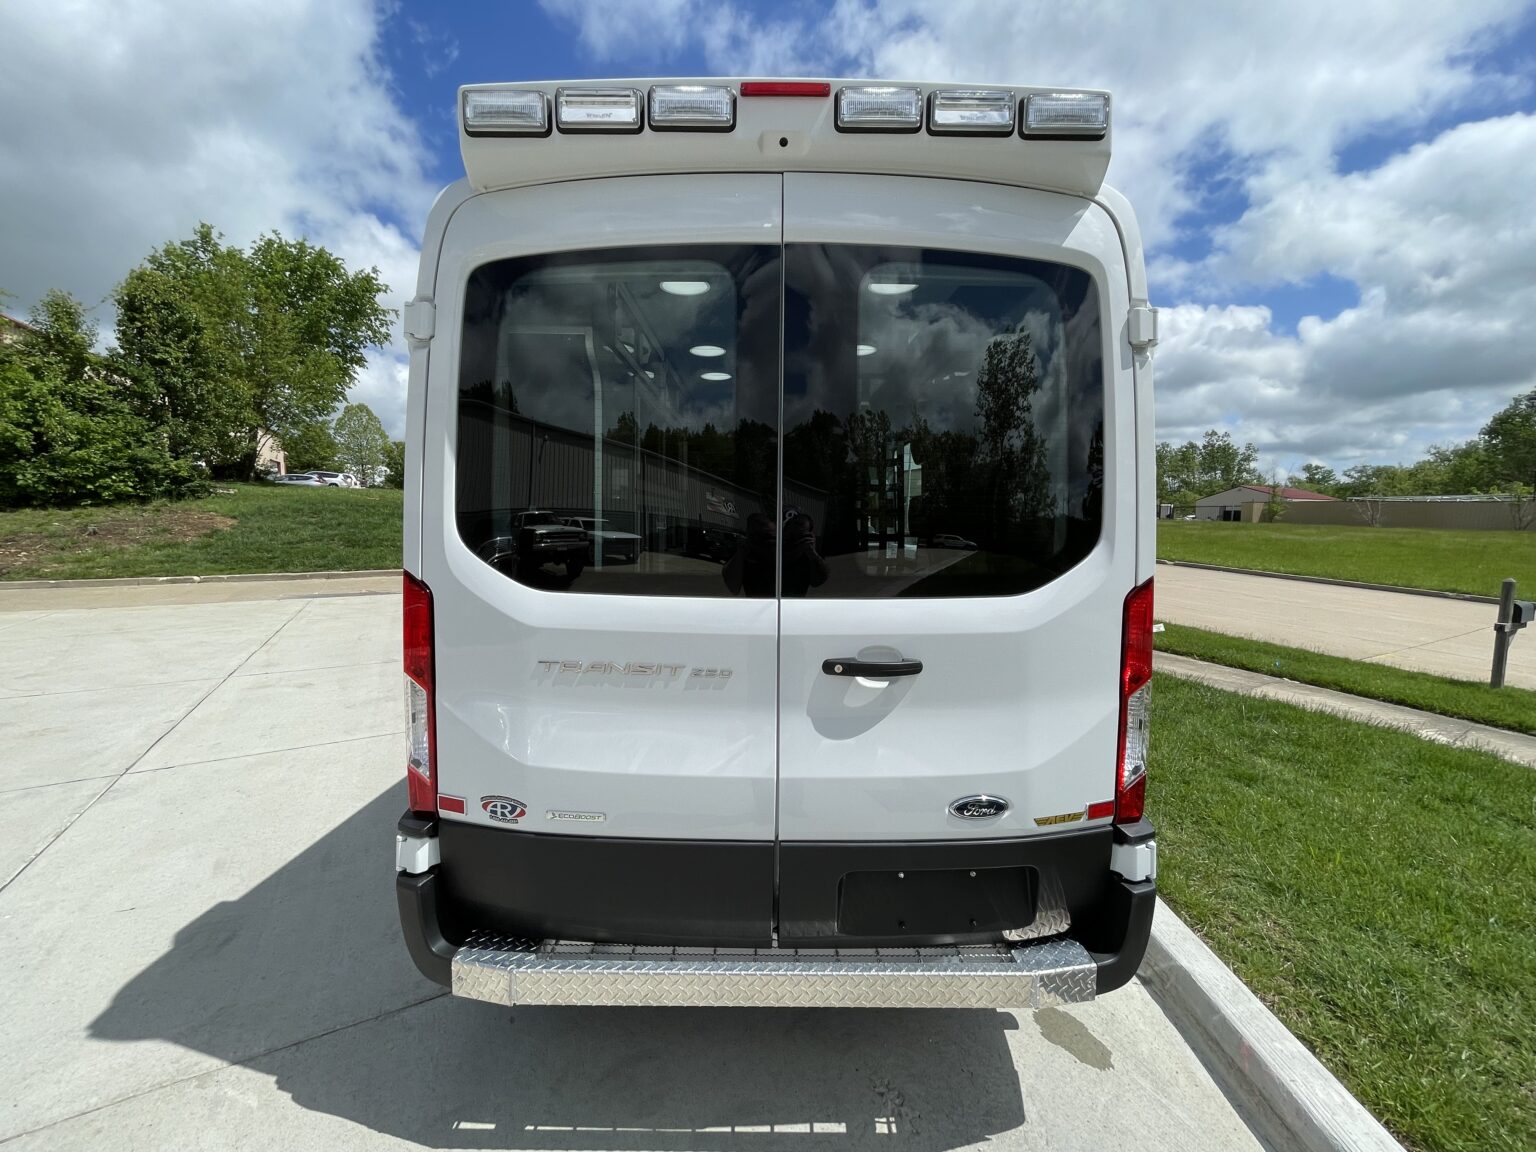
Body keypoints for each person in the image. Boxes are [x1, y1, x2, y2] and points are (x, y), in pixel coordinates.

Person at [723, 507, 829, 597]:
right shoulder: (748, 554)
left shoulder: (806, 556)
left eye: (799, 536)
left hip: (791, 612)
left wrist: (812, 554)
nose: (769, 543)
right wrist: (741, 553)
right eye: (762, 537)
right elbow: (733, 587)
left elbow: (818, 581)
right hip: (758, 613)